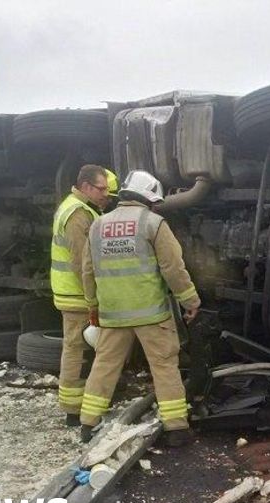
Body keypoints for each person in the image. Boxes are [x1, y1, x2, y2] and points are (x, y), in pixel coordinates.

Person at [79, 170, 201, 445]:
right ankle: (177, 429)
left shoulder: (98, 225)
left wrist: (93, 305)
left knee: (105, 366)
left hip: (112, 314)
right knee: (164, 366)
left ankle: (88, 423)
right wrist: (190, 301)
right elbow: (173, 268)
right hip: (151, 314)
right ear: (149, 198)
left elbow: (87, 271)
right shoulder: (153, 223)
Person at [51, 165, 117, 426]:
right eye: (102, 190)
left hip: (72, 293)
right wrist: (95, 298)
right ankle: (74, 411)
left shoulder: (75, 207)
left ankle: (75, 408)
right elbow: (83, 263)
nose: (107, 196)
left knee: (76, 349)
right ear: (87, 186)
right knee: (76, 350)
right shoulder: (79, 214)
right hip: (77, 296)